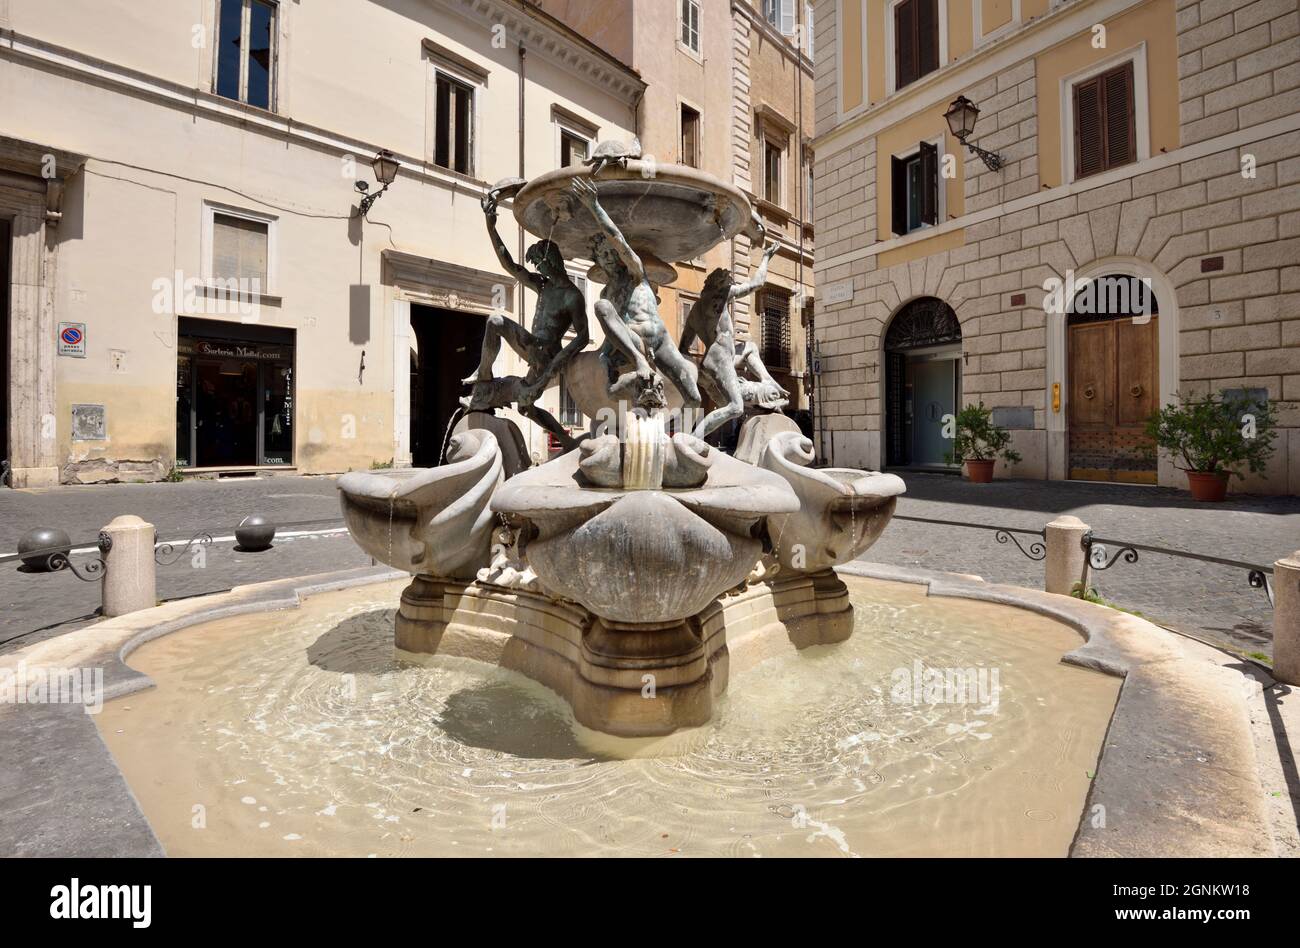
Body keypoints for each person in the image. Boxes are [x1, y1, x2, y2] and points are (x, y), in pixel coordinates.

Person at [463, 188, 590, 446]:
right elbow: (509, 265)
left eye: (540, 265)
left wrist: (557, 364)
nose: (538, 269)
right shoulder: (543, 285)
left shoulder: (572, 296)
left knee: (496, 322)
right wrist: (491, 227)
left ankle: (484, 376)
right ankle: (567, 442)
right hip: (533, 347)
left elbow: (584, 337)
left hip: (546, 354)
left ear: (551, 262)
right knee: (525, 405)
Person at [569, 177, 701, 415]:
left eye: (611, 253)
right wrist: (606, 358)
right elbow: (612, 328)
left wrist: (594, 205)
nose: (609, 258)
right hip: (634, 342)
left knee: (693, 398)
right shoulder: (606, 292)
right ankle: (640, 367)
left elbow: (618, 238)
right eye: (603, 255)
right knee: (602, 307)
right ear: (597, 259)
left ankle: (683, 443)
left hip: (659, 339)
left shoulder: (634, 271)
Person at [678, 242, 789, 439]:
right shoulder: (722, 294)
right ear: (721, 283)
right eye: (728, 280)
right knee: (735, 407)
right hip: (721, 360)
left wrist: (698, 374)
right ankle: (694, 438)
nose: (731, 283)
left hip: (714, 360)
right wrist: (765, 258)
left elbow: (683, 348)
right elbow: (757, 284)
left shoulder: (694, 312)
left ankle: (767, 379)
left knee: (750, 347)